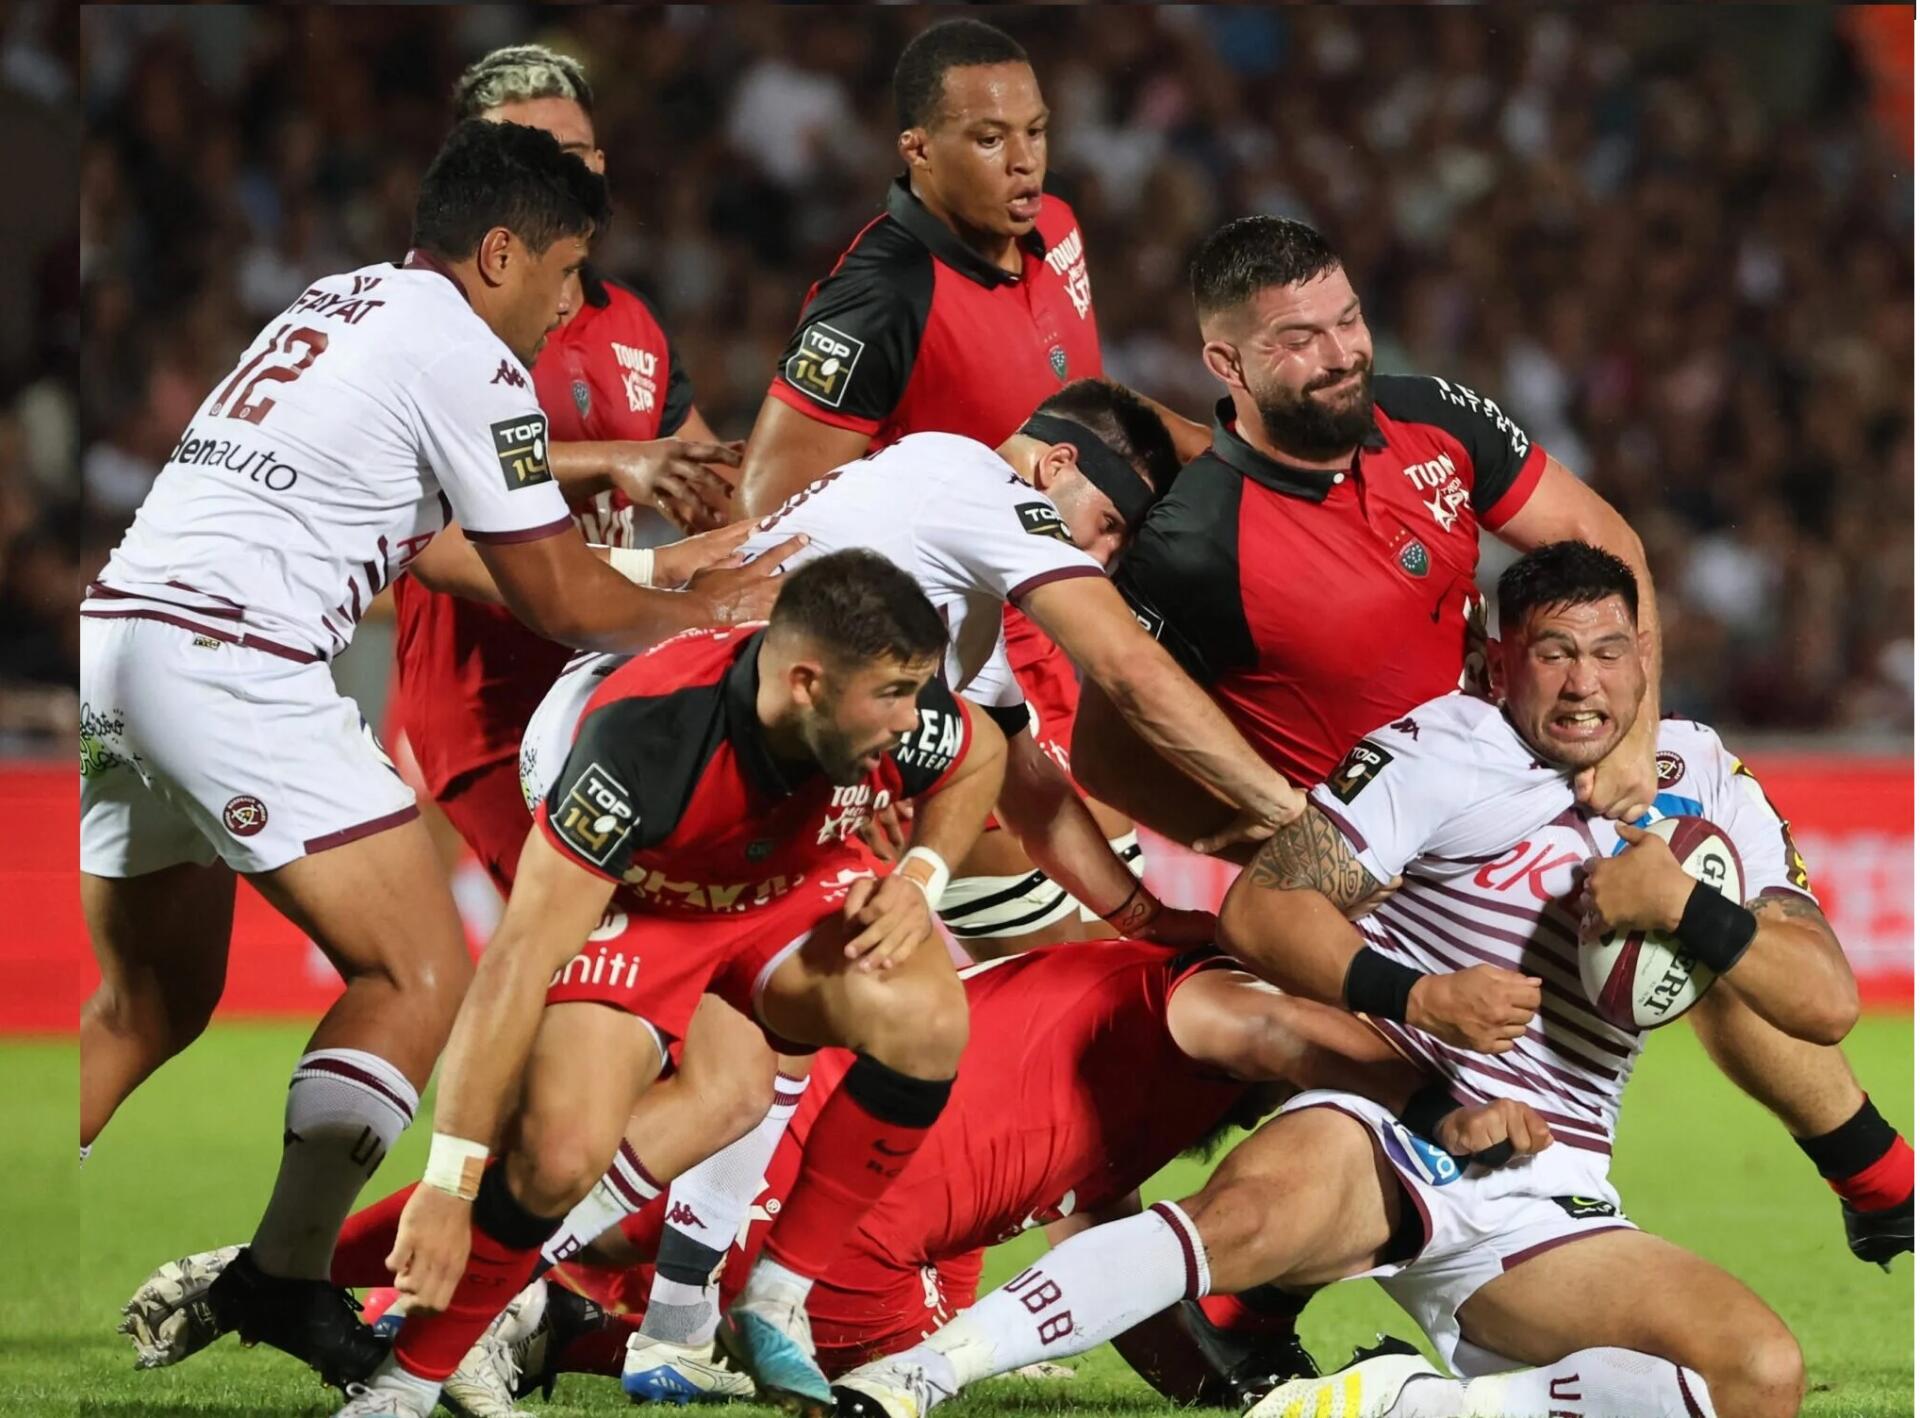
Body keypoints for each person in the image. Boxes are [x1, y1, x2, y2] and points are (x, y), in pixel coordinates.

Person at [834, 542, 1852, 1418]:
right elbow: (1264, 906)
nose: (1584, 683)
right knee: (1235, 1225)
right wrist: (1417, 996)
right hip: (1402, 1111)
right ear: (1499, 662)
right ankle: (927, 1369)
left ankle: (1419, 1404)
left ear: (1646, 658)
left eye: (1608, 652)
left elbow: (1825, 999)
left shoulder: (1702, 777)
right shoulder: (1444, 748)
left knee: (1758, 1376)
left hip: (1551, 1176)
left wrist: (1687, 908)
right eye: (1553, 653)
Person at [90, 118, 785, 1388]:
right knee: (423, 976)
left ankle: (321, 1275)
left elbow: (425, 540)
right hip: (234, 656)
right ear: (502, 251)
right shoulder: (470, 354)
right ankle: (297, 1277)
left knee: (146, 1007)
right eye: (565, 270)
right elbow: (561, 602)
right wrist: (717, 612)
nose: (573, 301)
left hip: (125, 637)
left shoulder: (340, 298)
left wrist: (653, 564)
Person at [1076, 213, 1912, 1263]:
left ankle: (1879, 1172)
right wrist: (1282, 841)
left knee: (1687, 907)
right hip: (1399, 860)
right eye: (1300, 338)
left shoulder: (1434, 421)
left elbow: (1601, 538)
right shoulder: (1192, 542)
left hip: (1525, 764)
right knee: (1400, 1111)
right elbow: (1106, 753)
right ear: (1226, 361)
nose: (1340, 353)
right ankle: (1234, 1300)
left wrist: (1626, 741)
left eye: (1348, 320)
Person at [511, 377, 1294, 1402]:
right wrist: (1293, 820)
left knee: (757, 1073)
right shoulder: (967, 479)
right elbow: (1129, 665)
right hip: (654, 748)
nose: (1099, 559)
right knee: (802, 1046)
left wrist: (1144, 916)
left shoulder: (950, 571)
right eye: (1107, 528)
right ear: (1056, 464)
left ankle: (663, 1318)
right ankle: (539, 1293)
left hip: (712, 776)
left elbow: (1025, 780)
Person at [331, 551, 1008, 1418]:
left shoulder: (877, 696)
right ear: (805, 683)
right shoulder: (641, 747)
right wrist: (448, 1178)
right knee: (557, 1154)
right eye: (893, 697)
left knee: (924, 1021)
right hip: (645, 900)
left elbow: (977, 751)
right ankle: (406, 1381)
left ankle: (773, 1297)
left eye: (917, 693)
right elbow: (517, 962)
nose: (912, 719)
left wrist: (920, 874)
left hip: (786, 883)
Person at [331, 937, 1543, 1416]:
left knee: (612, 1195)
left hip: (824, 1153)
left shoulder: (1151, 1030)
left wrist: (1215, 1384)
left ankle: (310, 1269)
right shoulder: (1211, 993)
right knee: (874, 1344)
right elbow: (1276, 1033)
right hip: (857, 1220)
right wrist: (1428, 1085)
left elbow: (1101, 1238)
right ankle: (548, 1325)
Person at [738, 17, 1209, 952]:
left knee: (1124, 953)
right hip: (959, 668)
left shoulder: (1057, 231)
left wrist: (1230, 459)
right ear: (917, 148)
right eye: (990, 140)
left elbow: (1086, 401)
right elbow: (772, 513)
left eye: (1035, 132)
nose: (1023, 163)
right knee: (1080, 968)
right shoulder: (881, 297)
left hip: (1058, 626)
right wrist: (865, 728)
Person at [390, 44, 747, 895]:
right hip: (488, 710)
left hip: (611, 678)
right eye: (531, 150)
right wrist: (615, 465)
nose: (564, 170)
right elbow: (446, 476)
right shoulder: (448, 320)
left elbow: (710, 493)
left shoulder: (633, 322)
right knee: (595, 958)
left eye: (577, 151)